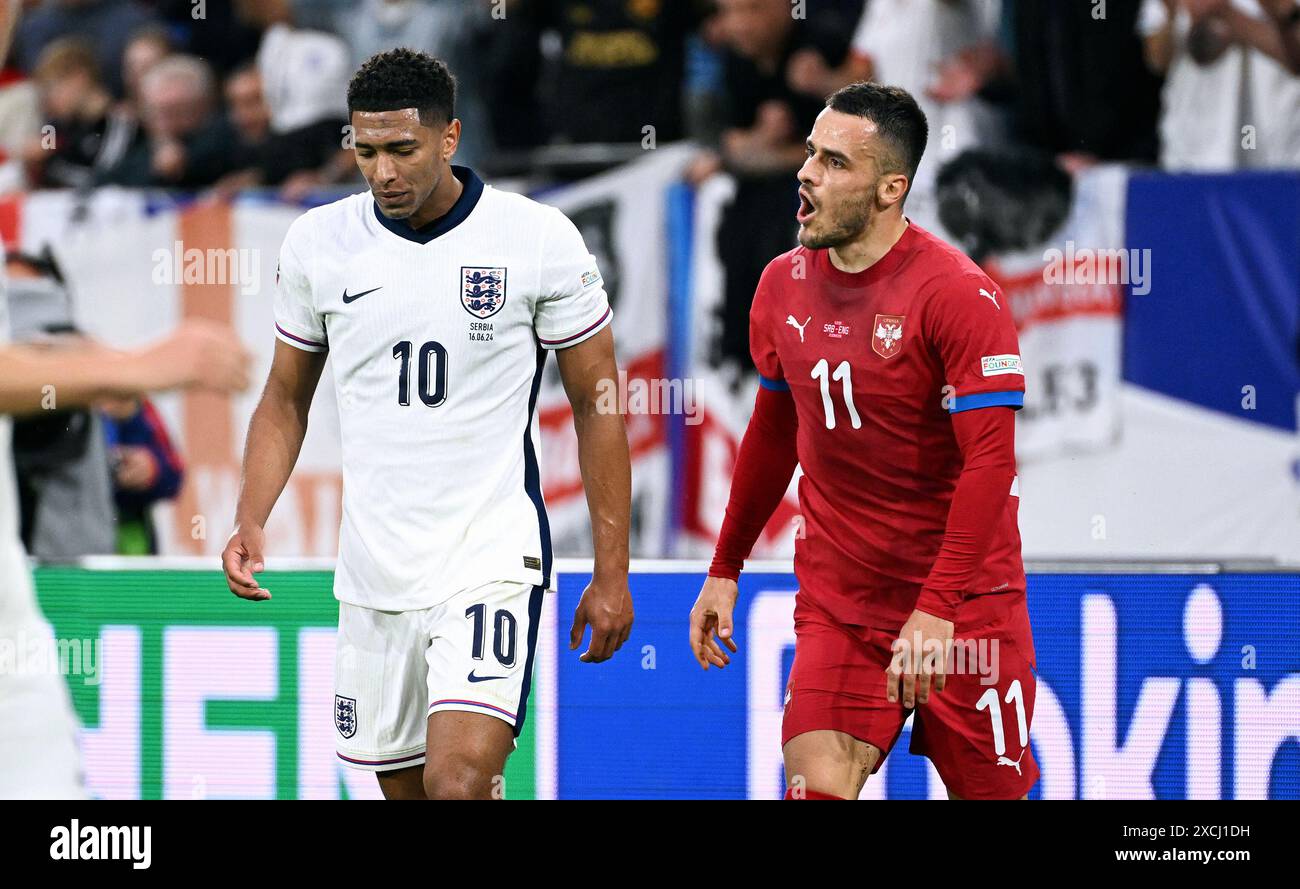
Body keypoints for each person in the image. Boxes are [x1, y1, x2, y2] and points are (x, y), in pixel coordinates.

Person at [220, 48, 634, 800]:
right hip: (376, 573)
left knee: (459, 782)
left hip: (489, 557)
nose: (383, 172)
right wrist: (251, 516)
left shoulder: (536, 239)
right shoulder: (319, 243)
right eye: (365, 151)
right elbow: (285, 396)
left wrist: (612, 571)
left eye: (402, 150)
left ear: (450, 138)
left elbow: (599, 407)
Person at [688, 82, 1037, 800]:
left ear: (890, 188)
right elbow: (774, 430)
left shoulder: (958, 298)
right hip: (842, 603)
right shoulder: (781, 286)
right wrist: (726, 563)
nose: (806, 172)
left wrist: (938, 609)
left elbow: (991, 462)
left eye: (834, 162)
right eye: (811, 154)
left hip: (965, 605)